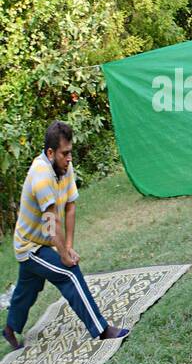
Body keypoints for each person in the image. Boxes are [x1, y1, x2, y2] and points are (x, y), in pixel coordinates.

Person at [5, 121, 130, 351]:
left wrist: (69, 246)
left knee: (28, 289)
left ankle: (10, 328)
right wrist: (64, 255)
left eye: (70, 152)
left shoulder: (63, 166)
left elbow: (70, 206)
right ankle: (101, 329)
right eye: (65, 153)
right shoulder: (41, 176)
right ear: (50, 153)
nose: (69, 158)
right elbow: (51, 223)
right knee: (69, 273)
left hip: (42, 240)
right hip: (29, 246)